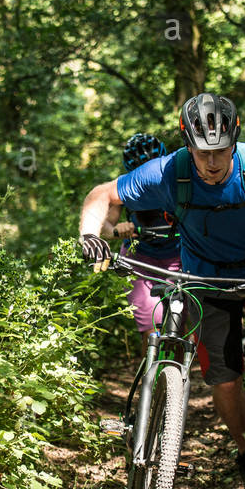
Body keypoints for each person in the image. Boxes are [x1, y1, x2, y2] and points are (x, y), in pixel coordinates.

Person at [78, 93, 245, 481]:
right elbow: (103, 195)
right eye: (202, 153)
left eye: (221, 151)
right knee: (225, 378)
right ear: (187, 145)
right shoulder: (167, 173)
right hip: (203, 279)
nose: (212, 163)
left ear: (235, 140)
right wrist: (90, 235)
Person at [109, 133, 177, 338]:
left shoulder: (177, 184)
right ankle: (151, 369)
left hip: (178, 259)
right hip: (141, 262)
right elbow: (105, 225)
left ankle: (180, 369)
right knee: (151, 331)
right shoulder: (124, 188)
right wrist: (117, 229)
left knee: (179, 326)